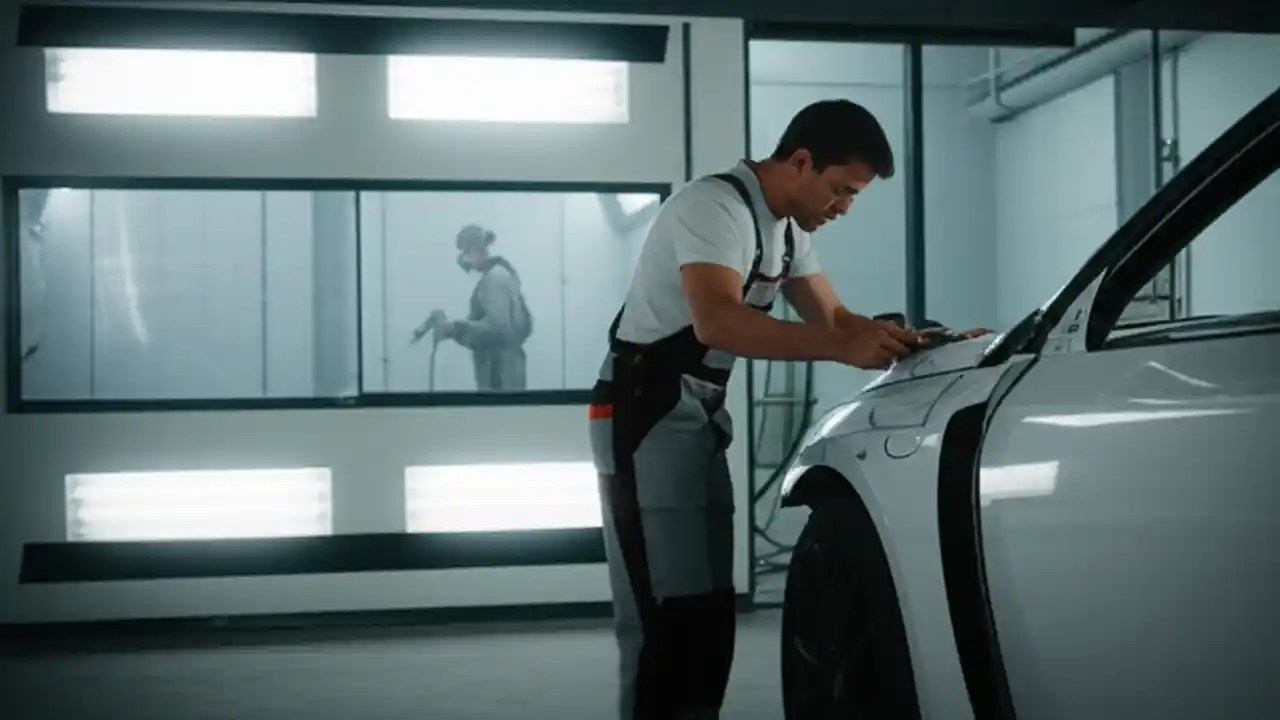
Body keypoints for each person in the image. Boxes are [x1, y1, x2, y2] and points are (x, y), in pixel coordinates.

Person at [588, 99, 982, 720]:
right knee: (664, 612)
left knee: (709, 611)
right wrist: (840, 345)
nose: (844, 208)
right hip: (643, 413)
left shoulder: (790, 230)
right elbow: (717, 320)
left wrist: (922, 343)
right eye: (839, 191)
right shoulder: (711, 207)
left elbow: (836, 319)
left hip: (697, 414)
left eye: (854, 197)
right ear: (801, 161)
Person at [414, 224, 533, 391]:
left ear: (473, 252)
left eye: (463, 255)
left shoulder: (493, 280)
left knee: (499, 416)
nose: (463, 264)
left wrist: (453, 329)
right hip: (506, 368)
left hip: (499, 372)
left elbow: (498, 331)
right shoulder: (500, 274)